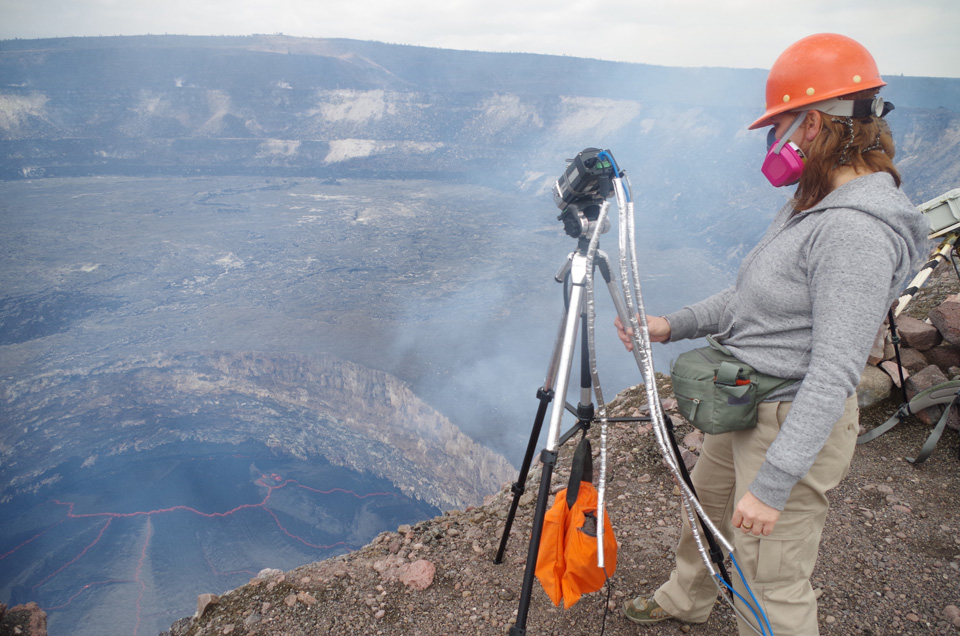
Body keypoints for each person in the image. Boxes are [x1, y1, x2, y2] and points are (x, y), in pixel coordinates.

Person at [615, 33, 930, 635]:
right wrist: (670, 326)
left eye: (780, 125)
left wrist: (773, 483)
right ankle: (687, 597)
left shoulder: (854, 233)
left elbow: (835, 370)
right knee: (706, 514)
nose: (775, 141)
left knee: (771, 575)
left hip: (786, 418)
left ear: (813, 124)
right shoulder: (812, 202)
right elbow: (752, 297)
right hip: (743, 397)